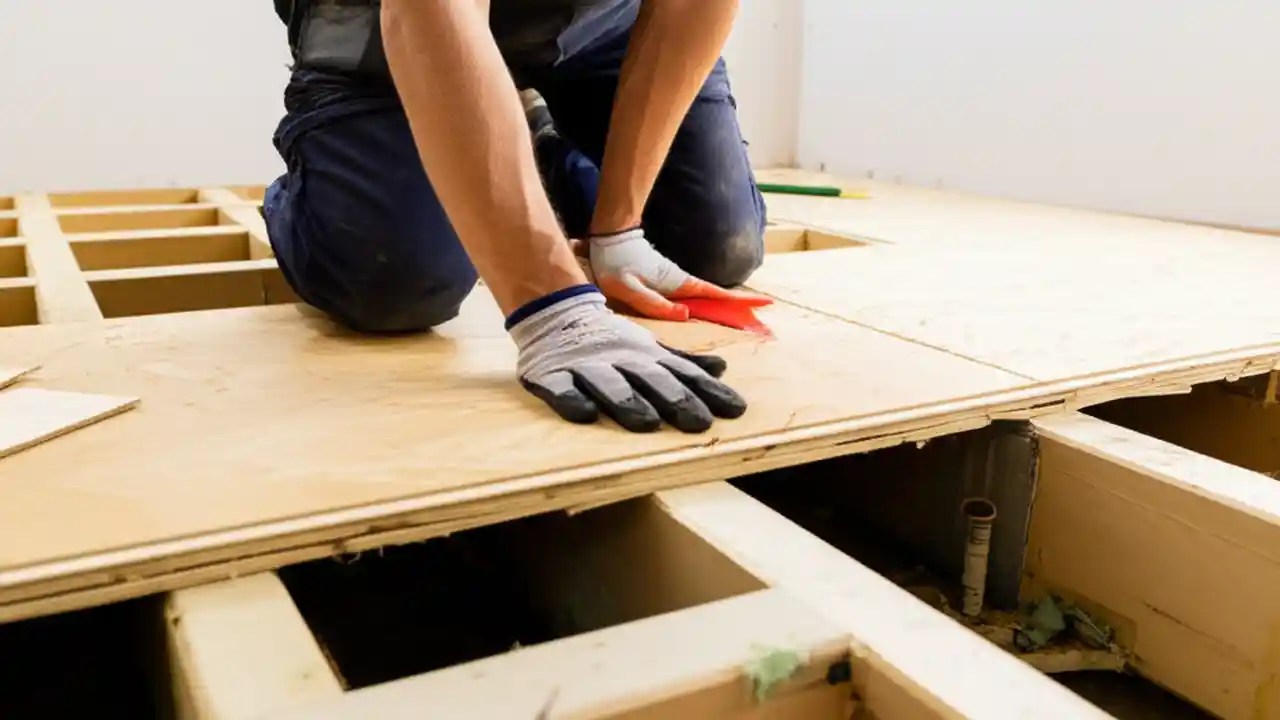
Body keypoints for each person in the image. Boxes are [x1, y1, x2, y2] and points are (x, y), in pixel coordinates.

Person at [265, 0, 769, 434]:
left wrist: (619, 230)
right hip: (376, 36)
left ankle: (537, 146)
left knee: (712, 247)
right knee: (396, 286)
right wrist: (556, 312)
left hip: (596, 25)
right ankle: (322, 187)